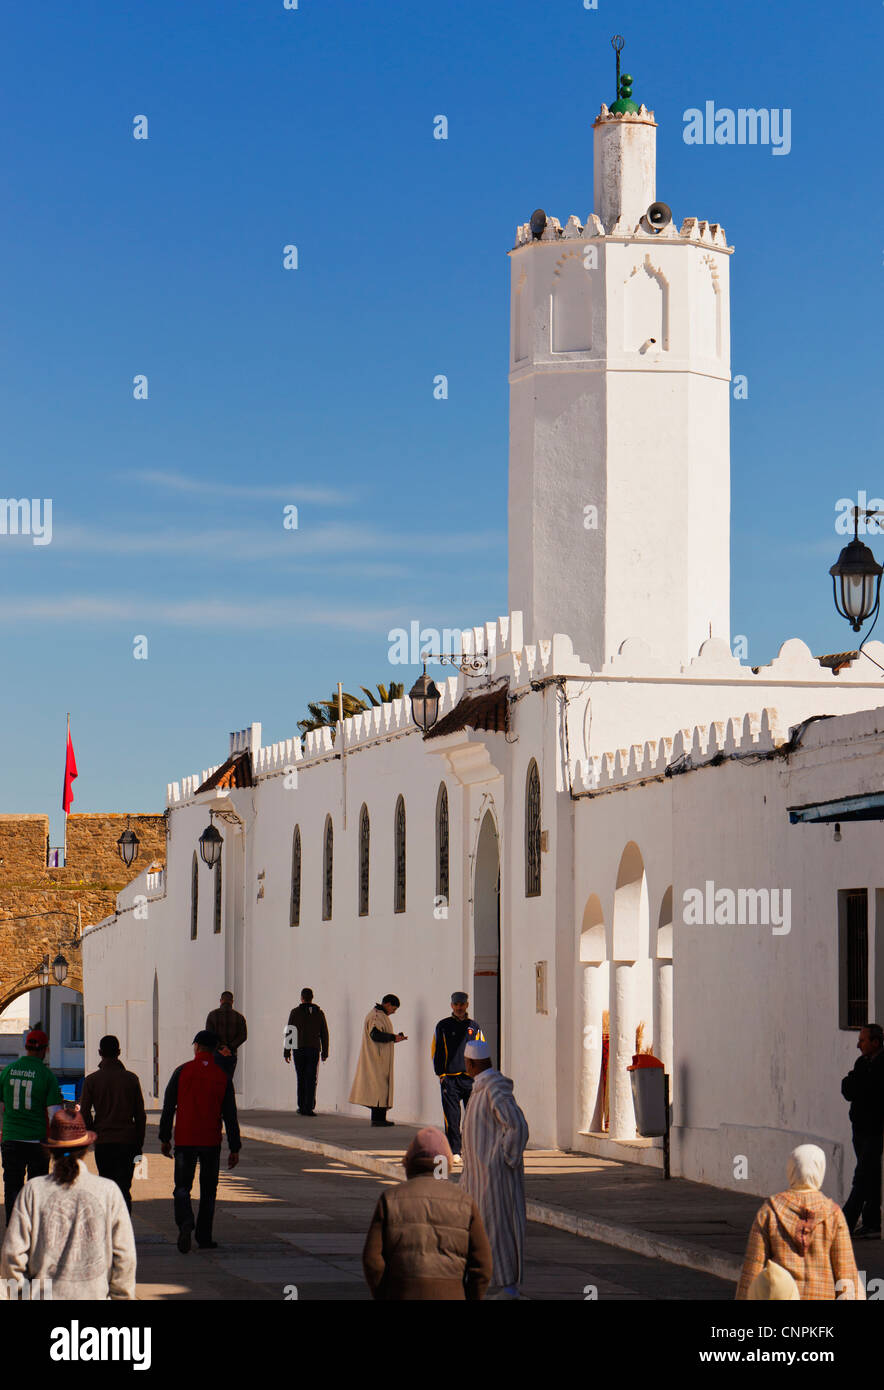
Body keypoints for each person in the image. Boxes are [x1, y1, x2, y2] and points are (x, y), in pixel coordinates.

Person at [0, 1103, 136, 1300]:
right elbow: (125, 1256)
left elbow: (13, 1256)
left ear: (50, 1150)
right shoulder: (108, 1191)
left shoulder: (34, 1191)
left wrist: (20, 1295)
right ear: (86, 1147)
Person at [362, 1125, 492, 1300]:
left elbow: (372, 1260)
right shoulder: (464, 1202)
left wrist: (386, 1293)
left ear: (409, 1162)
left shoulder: (390, 1199)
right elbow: (483, 1266)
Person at [736, 1144, 865, 1300]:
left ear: (791, 1170)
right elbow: (845, 1273)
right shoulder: (833, 1214)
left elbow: (753, 1268)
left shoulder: (770, 1211)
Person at [159, 1030, 241, 1253]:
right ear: (215, 1049)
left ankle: (185, 1221)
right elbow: (230, 1115)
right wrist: (235, 1147)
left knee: (182, 1187)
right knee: (208, 1190)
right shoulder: (222, 1076)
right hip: (211, 1141)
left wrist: (164, 1138)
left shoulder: (182, 1071)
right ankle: (204, 1237)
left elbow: (168, 1108)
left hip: (185, 1139)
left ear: (196, 1046)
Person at [460, 1039, 529, 1298]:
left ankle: (507, 1286)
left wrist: (504, 1160)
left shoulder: (494, 1087)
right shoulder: (480, 1088)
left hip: (493, 1178)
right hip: (475, 1179)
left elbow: (517, 1126)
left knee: (497, 1230)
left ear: (471, 1063)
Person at [0, 1029, 64, 1221]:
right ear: (45, 1050)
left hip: (11, 1137)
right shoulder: (46, 1075)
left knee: (12, 1186)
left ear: (26, 1047)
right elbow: (54, 1114)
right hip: (38, 1140)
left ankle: (14, 1227)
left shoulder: (8, 1071)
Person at [79, 1034, 146, 1212]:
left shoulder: (91, 1081)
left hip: (104, 1142)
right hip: (127, 1142)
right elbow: (140, 1115)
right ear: (119, 1052)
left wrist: (92, 1133)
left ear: (100, 1052)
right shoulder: (131, 1079)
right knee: (124, 1188)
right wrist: (138, 1142)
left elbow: (84, 1112)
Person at [840, 1022, 884, 1237]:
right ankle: (872, 1222)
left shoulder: (881, 1065)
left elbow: (869, 1091)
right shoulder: (862, 1063)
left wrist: (859, 1087)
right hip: (860, 1128)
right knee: (871, 1175)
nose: (859, 1045)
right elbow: (847, 1088)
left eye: (863, 1040)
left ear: (875, 1043)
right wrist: (858, 1086)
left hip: (875, 1129)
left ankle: (844, 1223)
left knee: (863, 1175)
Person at [431, 991, 484, 1162]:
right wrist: (441, 1074)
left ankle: (472, 1150)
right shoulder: (443, 1025)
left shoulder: (474, 1026)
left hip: (470, 1079)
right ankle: (454, 1150)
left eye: (462, 1004)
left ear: (467, 1005)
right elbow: (436, 1050)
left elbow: (481, 1050)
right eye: (456, 1004)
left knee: (473, 1117)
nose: (459, 1007)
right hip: (450, 1078)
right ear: (452, 1005)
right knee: (452, 1117)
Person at [349, 995, 406, 1126]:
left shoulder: (379, 1015)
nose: (394, 1011)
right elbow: (375, 1034)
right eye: (394, 1008)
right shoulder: (376, 1016)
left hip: (379, 1058)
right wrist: (392, 1037)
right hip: (376, 1059)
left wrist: (395, 1038)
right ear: (387, 1004)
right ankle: (377, 1119)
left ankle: (379, 1119)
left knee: (380, 1088)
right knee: (378, 1088)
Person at [283, 988, 329, 1116]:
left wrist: (287, 1052)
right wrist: (325, 1052)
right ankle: (309, 1107)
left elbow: (290, 1032)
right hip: (313, 1049)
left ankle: (301, 1106)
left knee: (301, 1077)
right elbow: (324, 1033)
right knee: (311, 1077)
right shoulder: (319, 1013)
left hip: (298, 1049)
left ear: (301, 998)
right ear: (312, 997)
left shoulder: (295, 1012)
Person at [205, 991, 247, 1078]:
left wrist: (220, 1047)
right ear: (232, 1002)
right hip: (231, 1054)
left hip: (216, 1054)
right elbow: (243, 1036)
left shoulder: (212, 1015)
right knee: (228, 1081)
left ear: (221, 1000)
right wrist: (229, 1048)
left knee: (216, 1081)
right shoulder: (239, 1017)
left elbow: (209, 1035)